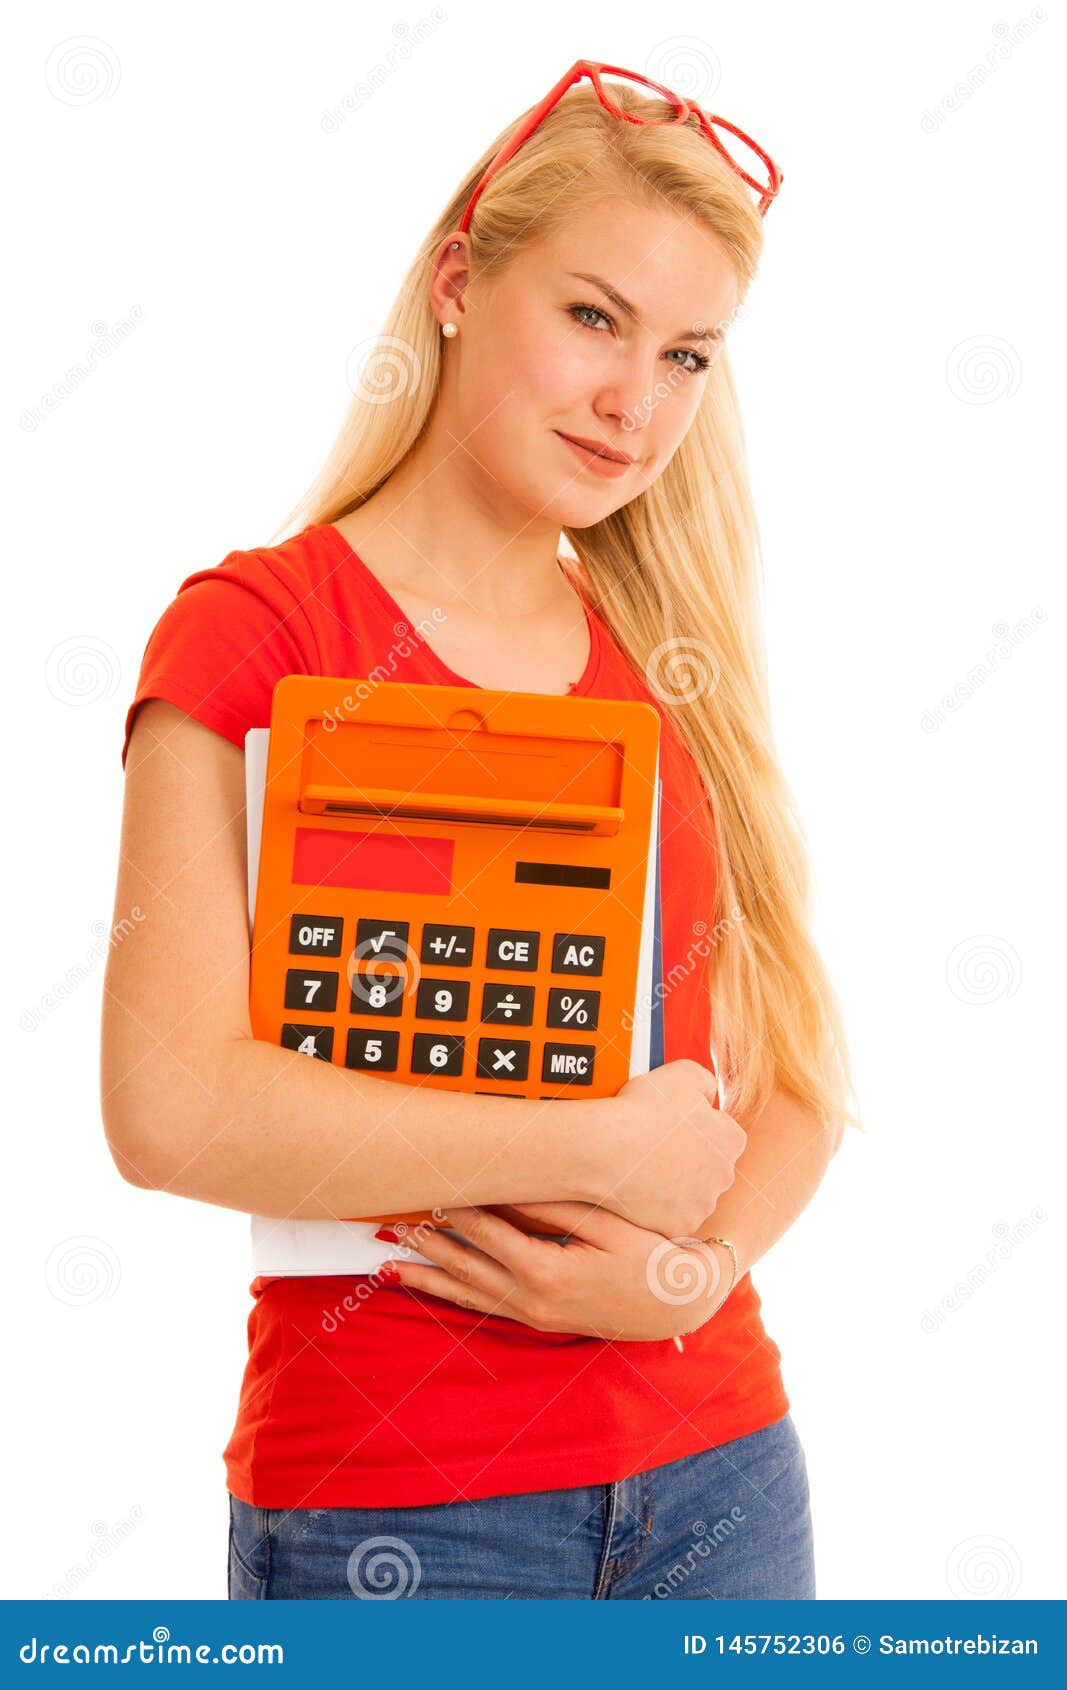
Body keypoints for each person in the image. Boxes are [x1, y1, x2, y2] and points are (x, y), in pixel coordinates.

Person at [102, 61, 860, 1601]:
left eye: (688, 355)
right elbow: (169, 1108)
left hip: (723, 1479)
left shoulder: (670, 646)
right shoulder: (260, 631)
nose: (633, 402)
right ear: (460, 280)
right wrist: (595, 1148)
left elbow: (796, 1072)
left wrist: (684, 1275)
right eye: (594, 317)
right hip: (410, 1512)